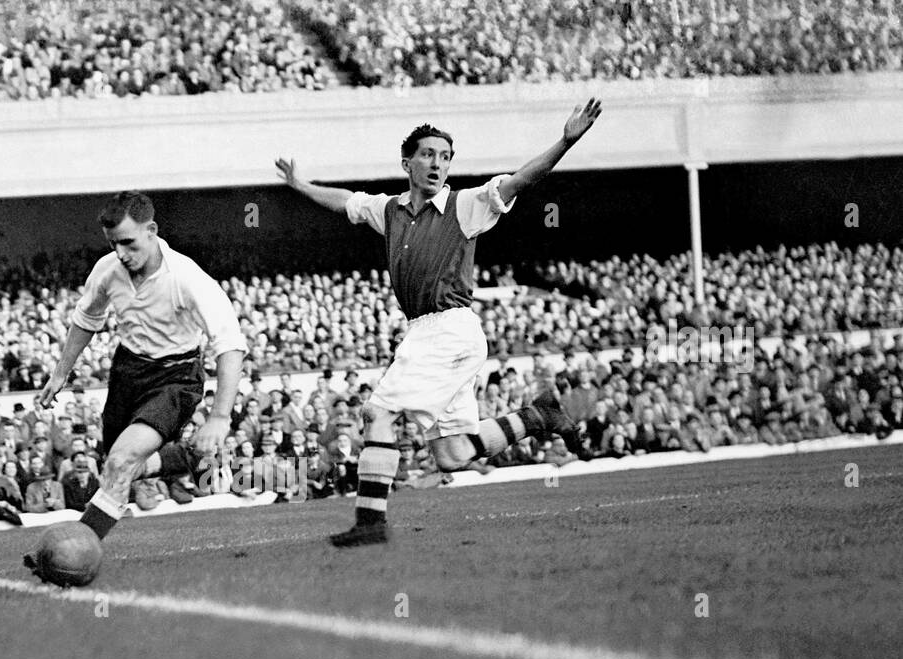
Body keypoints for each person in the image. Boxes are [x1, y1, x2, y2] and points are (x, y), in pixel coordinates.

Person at [275, 98, 602, 544]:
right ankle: (537, 415)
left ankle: (371, 524)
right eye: (428, 154)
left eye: (445, 157)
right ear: (407, 162)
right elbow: (345, 202)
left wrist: (565, 141)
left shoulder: (465, 206)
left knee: (378, 413)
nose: (438, 164)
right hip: (435, 333)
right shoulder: (389, 210)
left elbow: (522, 180)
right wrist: (300, 183)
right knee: (450, 454)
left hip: (448, 328)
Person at [30, 191, 245, 563]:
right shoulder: (108, 270)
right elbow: (86, 320)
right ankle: (183, 458)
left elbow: (230, 345)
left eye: (128, 243)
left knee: (120, 461)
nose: (121, 254)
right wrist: (59, 374)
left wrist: (220, 417)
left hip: (176, 377)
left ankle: (72, 556)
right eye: (113, 244)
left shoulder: (187, 278)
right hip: (127, 371)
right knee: (117, 466)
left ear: (152, 230)